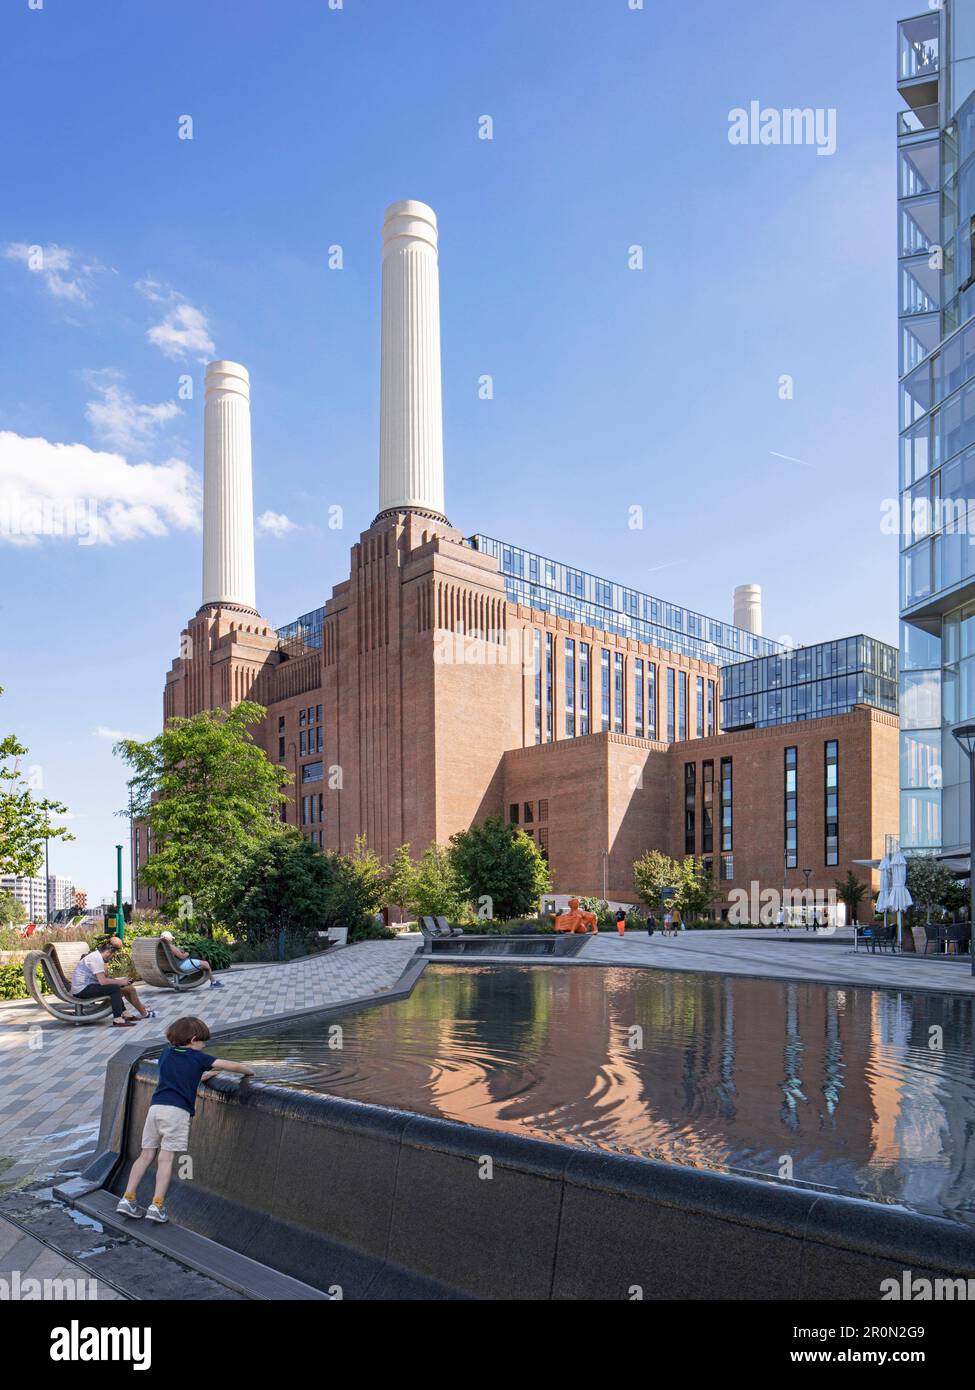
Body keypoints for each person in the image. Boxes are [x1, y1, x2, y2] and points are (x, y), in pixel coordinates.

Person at [115, 1016, 256, 1224]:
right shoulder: (199, 1058)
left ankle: (127, 1199)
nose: (204, 1045)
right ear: (193, 1039)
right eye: (203, 1041)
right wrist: (249, 1071)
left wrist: (200, 1077)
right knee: (166, 1159)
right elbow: (229, 1065)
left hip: (155, 1109)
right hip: (176, 1112)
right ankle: (157, 1205)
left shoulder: (166, 1053)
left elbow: (178, 1076)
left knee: (145, 1156)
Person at [70, 937, 156, 1028]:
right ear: (108, 952)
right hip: (81, 990)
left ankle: (125, 1014)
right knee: (114, 988)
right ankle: (118, 1019)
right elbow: (103, 982)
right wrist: (121, 982)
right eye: (113, 956)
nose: (112, 959)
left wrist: (120, 982)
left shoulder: (97, 957)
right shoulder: (96, 959)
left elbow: (104, 977)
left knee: (115, 986)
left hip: (86, 986)